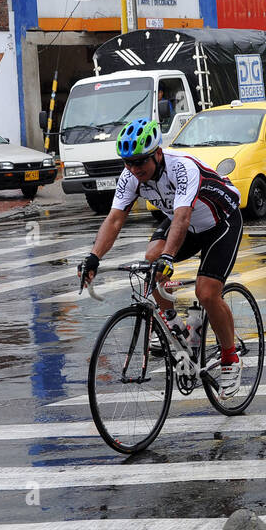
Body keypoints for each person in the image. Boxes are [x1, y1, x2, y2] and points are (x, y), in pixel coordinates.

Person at [77, 118, 246, 398]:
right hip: (187, 225)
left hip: (221, 222)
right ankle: (174, 324)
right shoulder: (131, 176)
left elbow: (181, 216)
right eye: (128, 162)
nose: (134, 169)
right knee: (151, 259)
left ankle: (230, 359)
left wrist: (169, 257)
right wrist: (93, 257)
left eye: (140, 161)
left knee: (206, 292)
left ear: (157, 153)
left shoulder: (182, 167)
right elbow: (115, 219)